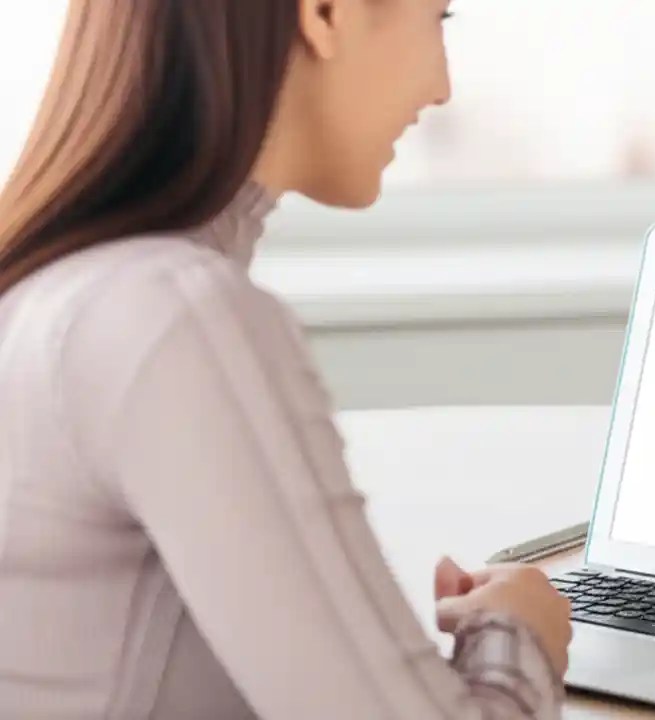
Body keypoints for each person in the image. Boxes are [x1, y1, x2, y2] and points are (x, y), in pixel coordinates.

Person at [0, 1, 572, 717]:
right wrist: (519, 628)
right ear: (327, 13)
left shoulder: (61, 290)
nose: (442, 86)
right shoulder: (176, 316)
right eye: (439, 19)